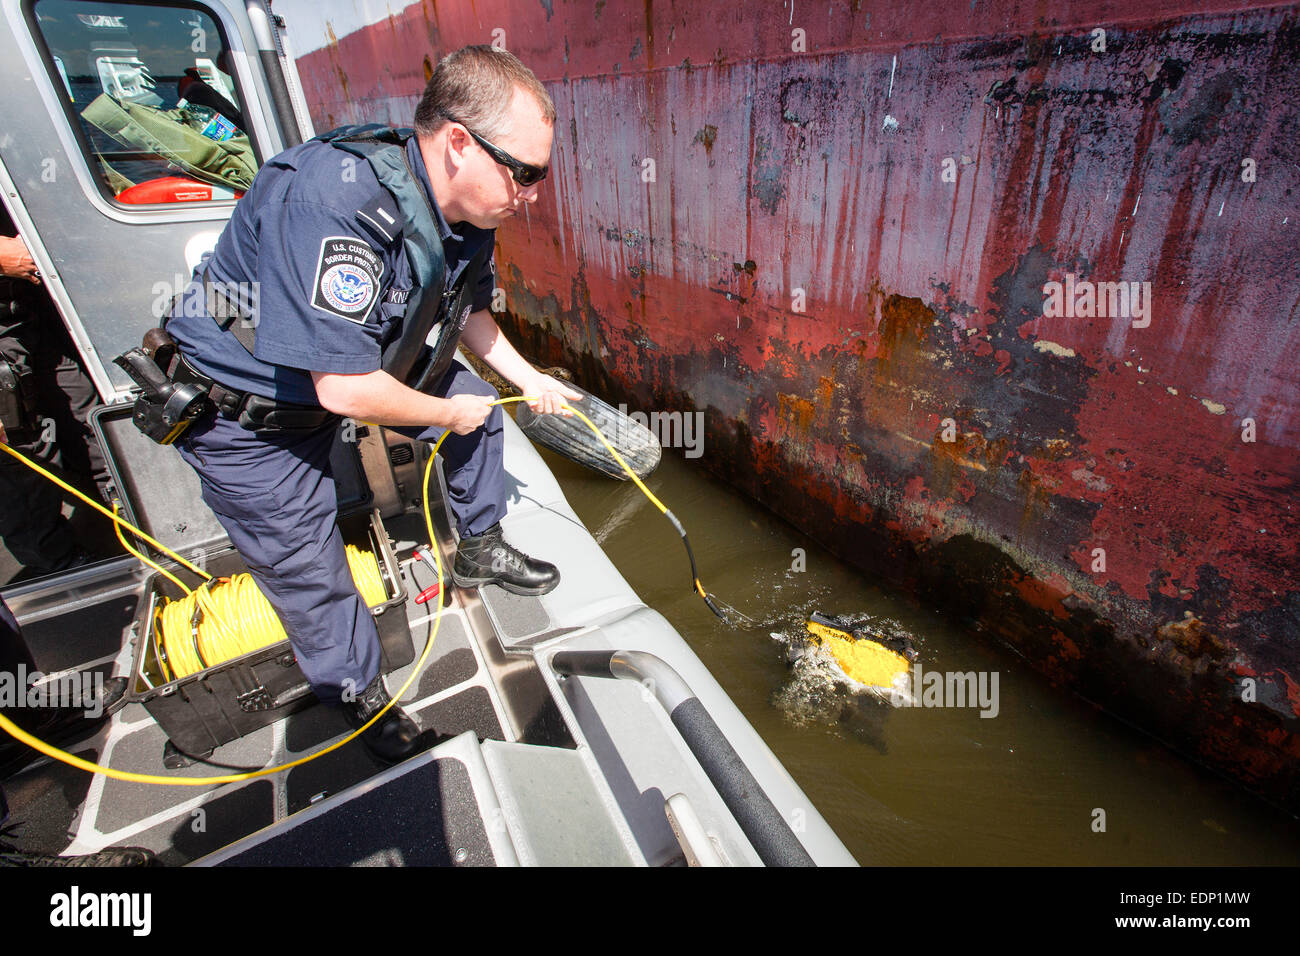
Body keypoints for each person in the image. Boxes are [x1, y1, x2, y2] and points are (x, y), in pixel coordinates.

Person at [161, 45, 580, 763]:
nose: (533, 193)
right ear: (458, 143)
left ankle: (477, 546)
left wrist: (530, 378)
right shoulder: (336, 200)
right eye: (527, 173)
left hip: (355, 369)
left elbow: (469, 311)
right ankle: (358, 701)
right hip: (254, 417)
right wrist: (447, 415)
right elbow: (345, 391)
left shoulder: (468, 211)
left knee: (475, 392)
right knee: (312, 572)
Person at [0, 207, 109, 580]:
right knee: (18, 449)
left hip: (26, 309)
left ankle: (126, 515)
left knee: (87, 413)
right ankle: (57, 566)